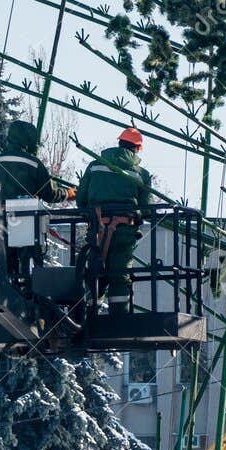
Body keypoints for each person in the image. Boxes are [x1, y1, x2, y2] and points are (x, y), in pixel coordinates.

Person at [75, 126, 151, 316]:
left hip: (98, 229)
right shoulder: (141, 173)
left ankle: (89, 314)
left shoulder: (94, 166)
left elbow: (81, 200)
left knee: (94, 271)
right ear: (137, 148)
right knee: (119, 274)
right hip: (124, 231)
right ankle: (120, 317)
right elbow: (146, 209)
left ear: (119, 143)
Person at [0, 120, 68, 271]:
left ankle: (10, 286)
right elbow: (49, 194)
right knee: (30, 262)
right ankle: (29, 289)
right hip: (26, 223)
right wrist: (67, 193)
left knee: (7, 263)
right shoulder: (33, 164)